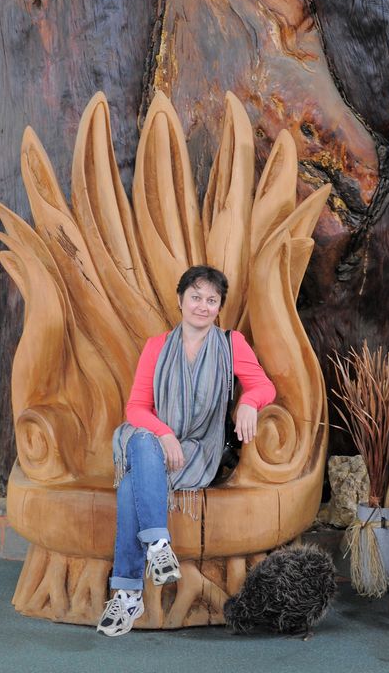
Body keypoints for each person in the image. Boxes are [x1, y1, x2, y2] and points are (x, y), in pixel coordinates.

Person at [97, 265, 276, 637]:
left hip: (198, 450)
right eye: (196, 297)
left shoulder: (231, 344)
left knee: (132, 483)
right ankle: (159, 545)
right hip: (157, 442)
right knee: (141, 439)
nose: (203, 305)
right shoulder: (156, 346)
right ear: (180, 300)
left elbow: (263, 387)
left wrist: (249, 403)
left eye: (212, 300)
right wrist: (163, 434)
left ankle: (128, 591)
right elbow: (136, 408)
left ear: (219, 307)